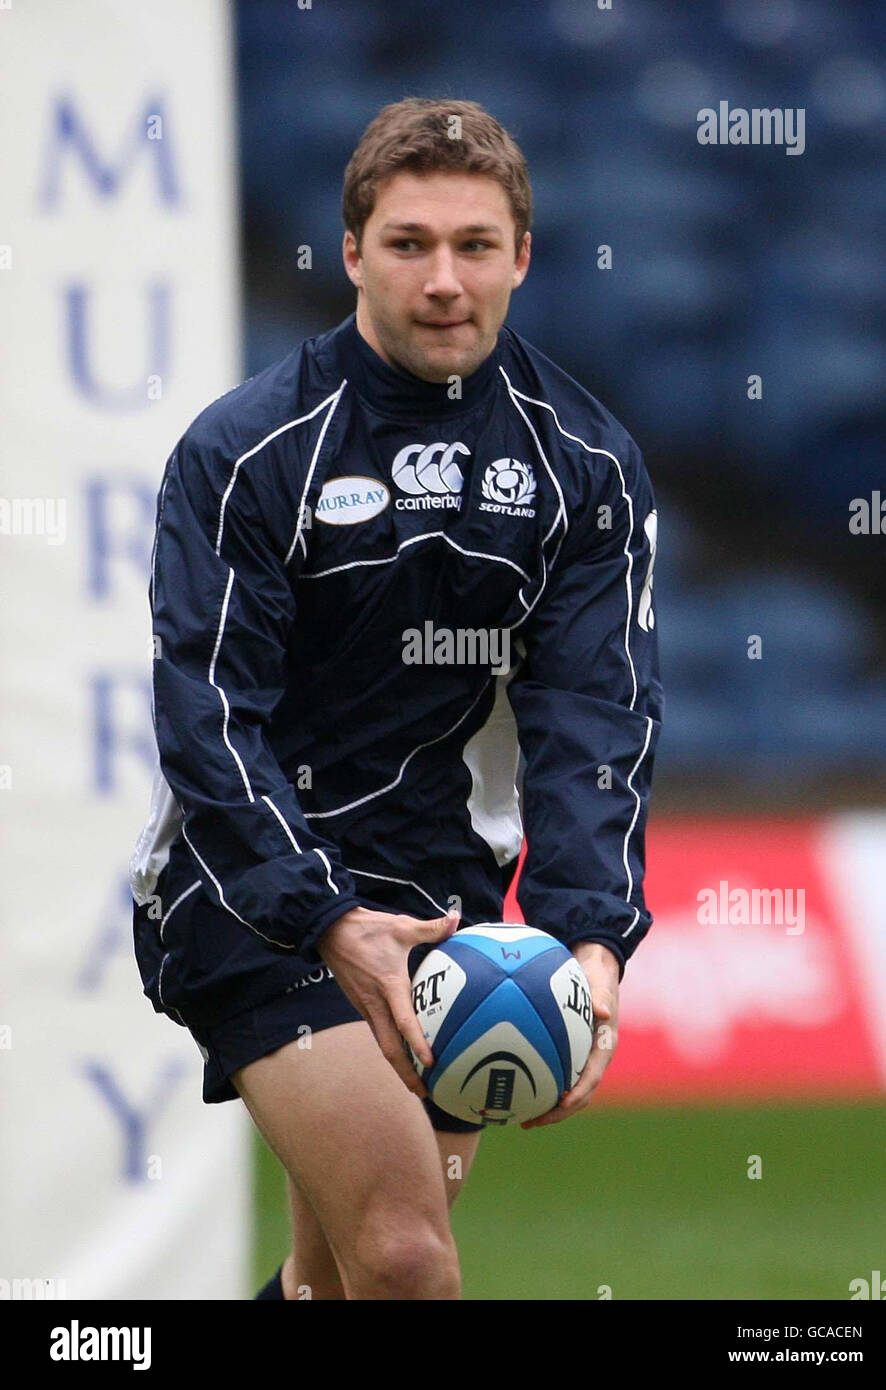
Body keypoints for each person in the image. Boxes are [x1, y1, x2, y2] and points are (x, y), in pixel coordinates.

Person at [129, 97, 663, 1301]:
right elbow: (210, 715)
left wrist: (590, 933)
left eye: (474, 245)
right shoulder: (248, 452)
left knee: (334, 1281)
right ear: (354, 252)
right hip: (250, 886)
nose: (442, 280)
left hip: (446, 911)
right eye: (409, 243)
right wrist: (319, 914)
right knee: (409, 1260)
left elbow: (595, 716)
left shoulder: (584, 466)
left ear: (521, 257)